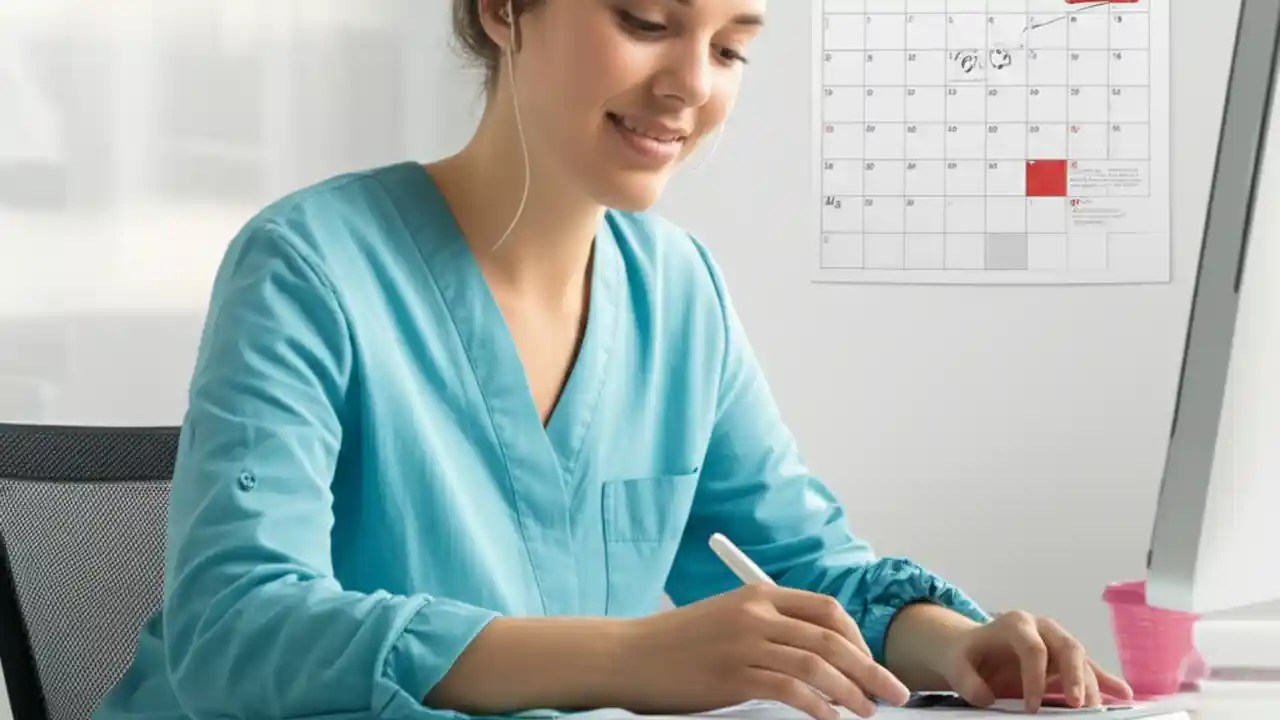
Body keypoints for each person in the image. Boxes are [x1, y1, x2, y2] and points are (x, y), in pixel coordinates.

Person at [94, 1, 1134, 719]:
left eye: (730, 48)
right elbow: (236, 630)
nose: (690, 85)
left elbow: (800, 568)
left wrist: (951, 644)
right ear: (503, 10)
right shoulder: (310, 264)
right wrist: (633, 657)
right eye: (644, 22)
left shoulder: (677, 289)